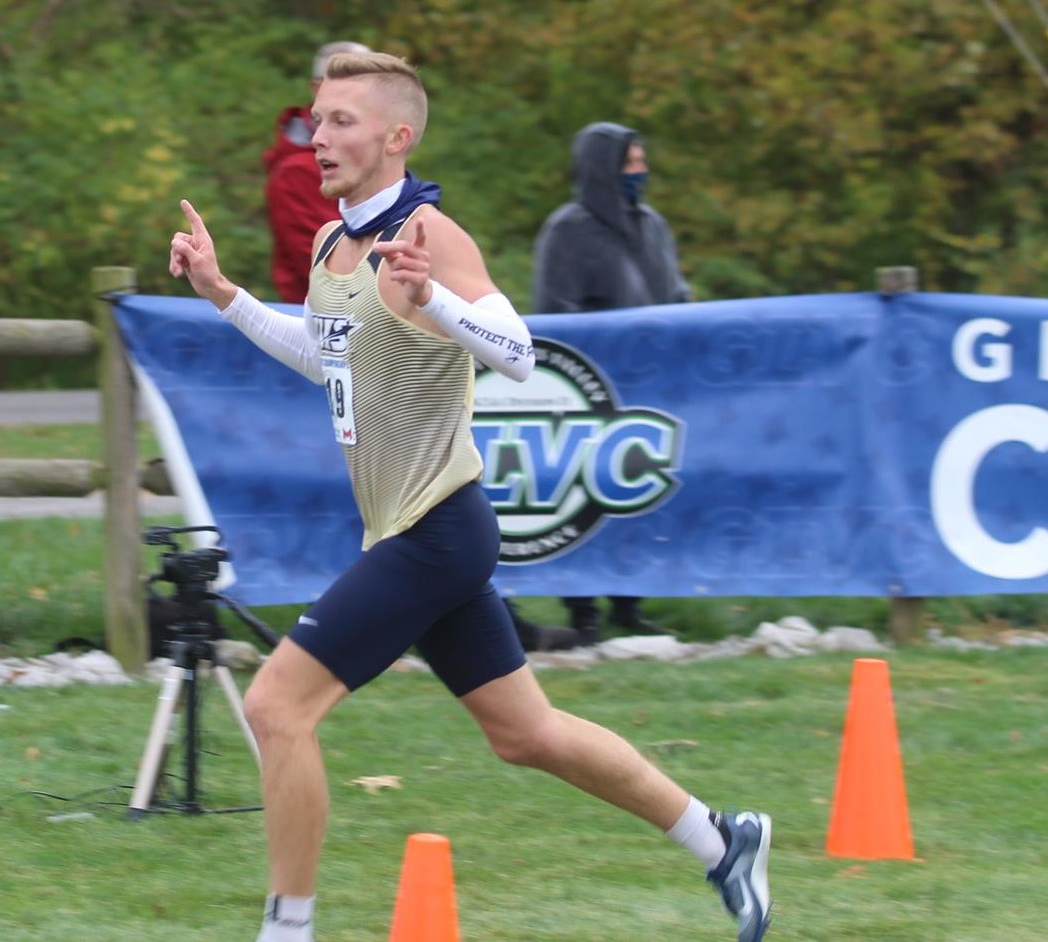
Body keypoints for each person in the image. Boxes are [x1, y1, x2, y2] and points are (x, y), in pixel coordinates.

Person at [167, 53, 770, 942]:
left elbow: (518, 353)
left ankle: (285, 931)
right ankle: (720, 839)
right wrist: (225, 296)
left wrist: (436, 299)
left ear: (394, 138)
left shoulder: (429, 235)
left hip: (437, 532)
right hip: (405, 532)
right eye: (316, 119)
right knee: (525, 734)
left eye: (340, 121)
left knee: (273, 708)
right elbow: (327, 356)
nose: (317, 138)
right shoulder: (336, 244)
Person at [531, 121, 688, 645]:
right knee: (587, 496)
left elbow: (675, 296)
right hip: (591, 387)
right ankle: (582, 610)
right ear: (606, 168)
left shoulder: (654, 226)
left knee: (639, 490)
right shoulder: (568, 230)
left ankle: (629, 603)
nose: (641, 173)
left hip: (650, 385)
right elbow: (556, 310)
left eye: (642, 163)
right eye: (632, 164)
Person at [263, 40, 370, 303]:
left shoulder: (373, 155)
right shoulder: (297, 171)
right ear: (318, 88)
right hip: (324, 324)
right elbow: (325, 270)